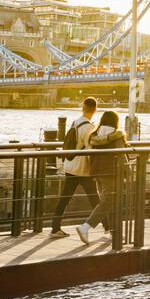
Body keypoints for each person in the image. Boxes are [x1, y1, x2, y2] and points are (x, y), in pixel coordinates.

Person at [49, 97, 98, 238]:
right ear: (95, 110)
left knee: (64, 199)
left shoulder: (75, 123)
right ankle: (109, 227)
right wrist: (94, 170)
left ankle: (55, 228)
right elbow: (90, 151)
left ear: (83, 108)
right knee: (95, 200)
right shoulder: (89, 127)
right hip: (82, 169)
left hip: (70, 166)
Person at [76, 110, 128, 245]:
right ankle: (85, 227)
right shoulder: (117, 136)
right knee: (108, 201)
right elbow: (122, 156)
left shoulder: (95, 135)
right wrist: (128, 172)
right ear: (115, 121)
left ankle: (113, 231)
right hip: (111, 172)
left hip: (97, 172)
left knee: (108, 201)